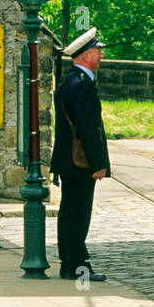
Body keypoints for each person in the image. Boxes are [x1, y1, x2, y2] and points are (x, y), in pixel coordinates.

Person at [51, 27, 110, 281]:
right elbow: (88, 128)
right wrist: (99, 163)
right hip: (80, 162)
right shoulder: (82, 85)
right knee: (78, 214)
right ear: (86, 55)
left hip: (67, 160)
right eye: (98, 52)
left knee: (68, 212)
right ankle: (77, 266)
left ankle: (68, 263)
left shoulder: (68, 80)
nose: (101, 56)